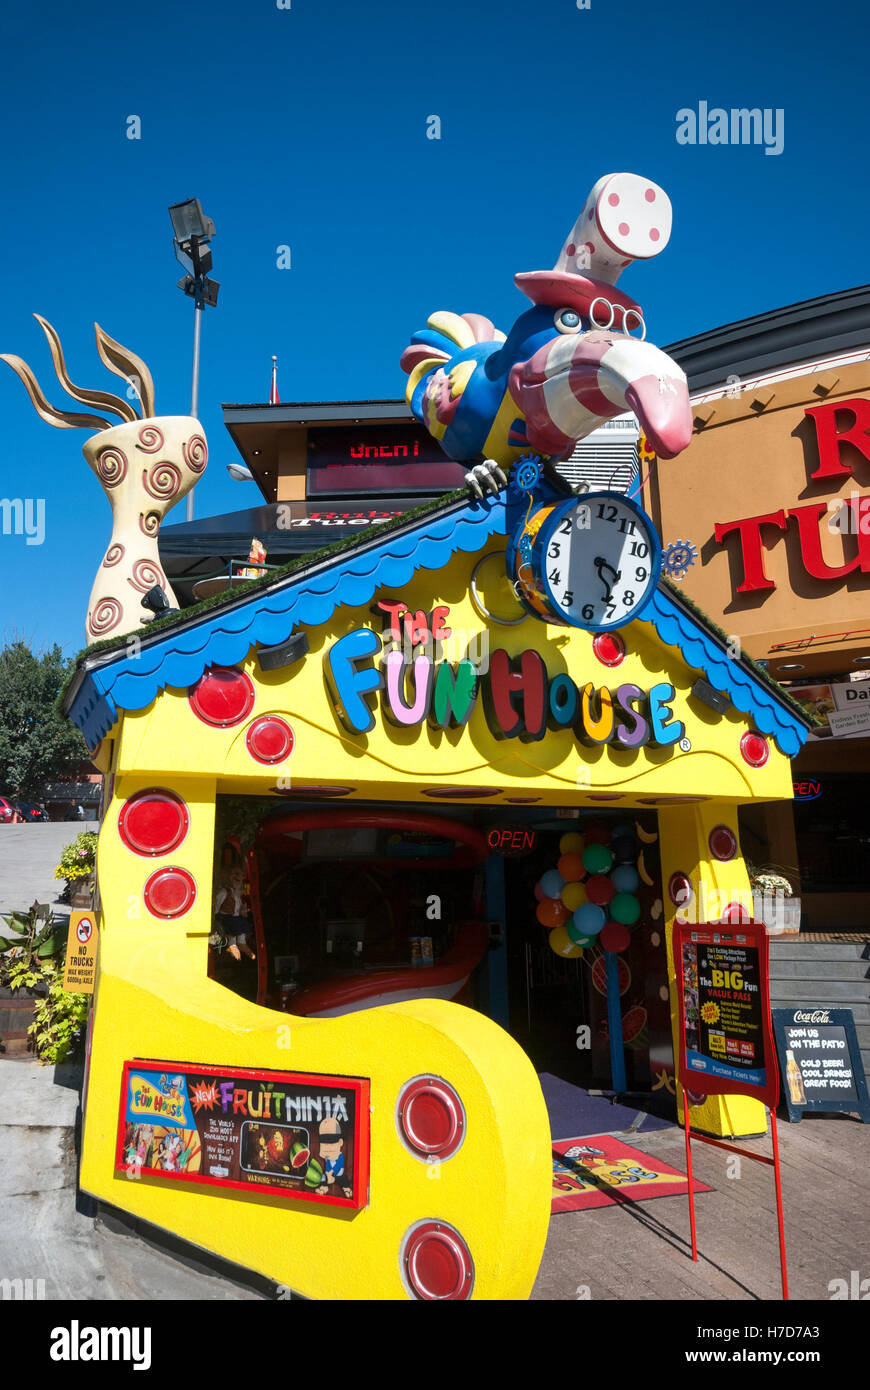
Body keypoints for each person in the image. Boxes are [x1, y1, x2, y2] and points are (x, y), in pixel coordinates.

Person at [213, 865, 256, 961]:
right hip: (225, 917)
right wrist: (215, 917)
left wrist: (243, 911)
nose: (239, 877)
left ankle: (241, 943)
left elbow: (237, 907)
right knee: (233, 926)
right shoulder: (224, 892)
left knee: (241, 923)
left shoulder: (237, 894)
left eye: (241, 875)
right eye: (235, 874)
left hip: (235, 917)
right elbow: (216, 907)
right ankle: (232, 945)